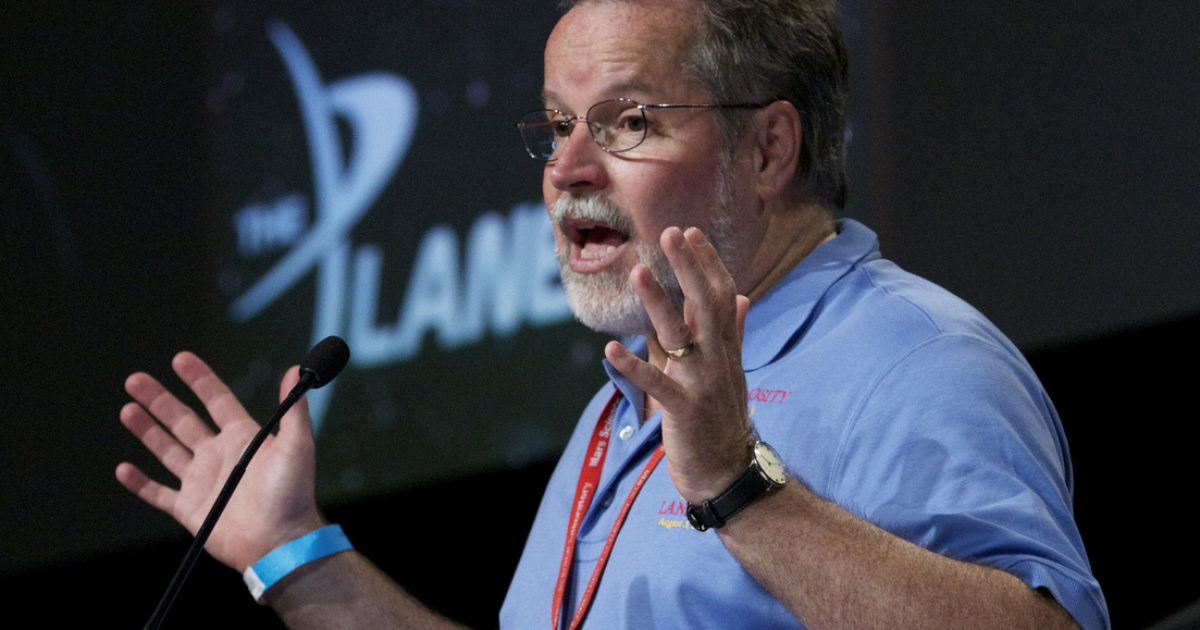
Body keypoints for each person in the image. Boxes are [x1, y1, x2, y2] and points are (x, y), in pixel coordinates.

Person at [116, 0, 1109, 628]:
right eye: (556, 127)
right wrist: (292, 552)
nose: (565, 171)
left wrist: (737, 487)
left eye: (629, 122)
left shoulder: (913, 361)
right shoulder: (621, 408)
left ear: (769, 149)